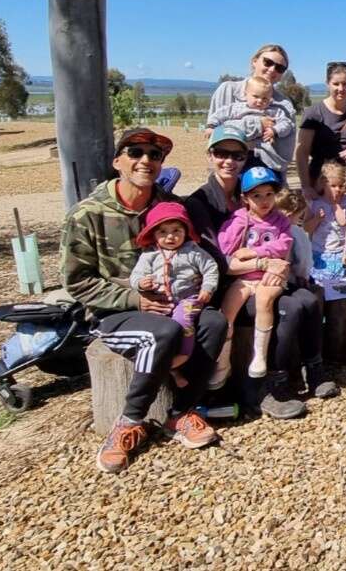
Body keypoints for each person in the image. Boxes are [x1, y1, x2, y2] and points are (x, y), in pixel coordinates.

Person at [61, 128, 226, 473]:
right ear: (117, 161)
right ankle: (129, 422)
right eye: (135, 152)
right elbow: (77, 281)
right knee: (162, 333)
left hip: (175, 305)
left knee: (213, 322)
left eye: (155, 155)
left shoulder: (173, 208)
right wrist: (134, 299)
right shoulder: (87, 215)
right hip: (114, 313)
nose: (145, 160)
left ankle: (181, 413)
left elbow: (203, 257)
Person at [186, 126, 337, 421]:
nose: (229, 160)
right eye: (221, 153)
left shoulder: (253, 193)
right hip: (228, 285)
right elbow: (219, 260)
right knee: (291, 308)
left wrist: (279, 261)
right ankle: (266, 386)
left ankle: (313, 369)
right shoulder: (202, 202)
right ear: (210, 155)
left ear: (245, 158)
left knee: (308, 300)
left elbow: (282, 237)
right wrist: (266, 263)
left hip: (264, 275)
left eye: (237, 154)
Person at [215, 167, 293, 383]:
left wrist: (256, 251)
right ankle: (223, 362)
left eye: (269, 194)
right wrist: (239, 225)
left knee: (264, 299)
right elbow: (226, 249)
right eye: (256, 196)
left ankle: (260, 355)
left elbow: (284, 243)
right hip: (244, 278)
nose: (264, 200)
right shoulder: (239, 219)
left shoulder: (280, 221)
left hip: (269, 276)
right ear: (245, 198)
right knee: (227, 311)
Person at [129, 202, 220, 388]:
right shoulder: (150, 255)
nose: (170, 237)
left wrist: (207, 288)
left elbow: (211, 269)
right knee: (156, 330)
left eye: (176, 230)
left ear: (185, 231)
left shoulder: (193, 251)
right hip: (160, 301)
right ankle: (171, 369)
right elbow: (136, 275)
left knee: (183, 319)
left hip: (187, 299)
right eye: (163, 232)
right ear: (153, 234)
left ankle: (183, 355)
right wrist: (141, 283)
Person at [208, 44, 296, 175]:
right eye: (268, 62)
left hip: (268, 172)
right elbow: (217, 133)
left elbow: (284, 152)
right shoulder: (228, 90)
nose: (272, 69)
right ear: (254, 61)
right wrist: (259, 124)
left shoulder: (284, 104)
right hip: (228, 172)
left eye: (280, 68)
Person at [296, 61, 346, 203]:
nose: (341, 88)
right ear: (327, 84)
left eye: (345, 84)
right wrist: (306, 186)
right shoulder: (314, 113)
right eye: (336, 84)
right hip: (319, 183)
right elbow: (302, 153)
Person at [306, 161, 346, 279]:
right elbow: (306, 228)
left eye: (341, 186)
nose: (338, 189)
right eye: (333, 186)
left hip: (339, 252)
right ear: (323, 184)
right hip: (320, 252)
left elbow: (343, 222)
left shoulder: (345, 203)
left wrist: (335, 205)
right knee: (321, 281)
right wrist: (316, 219)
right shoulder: (315, 204)